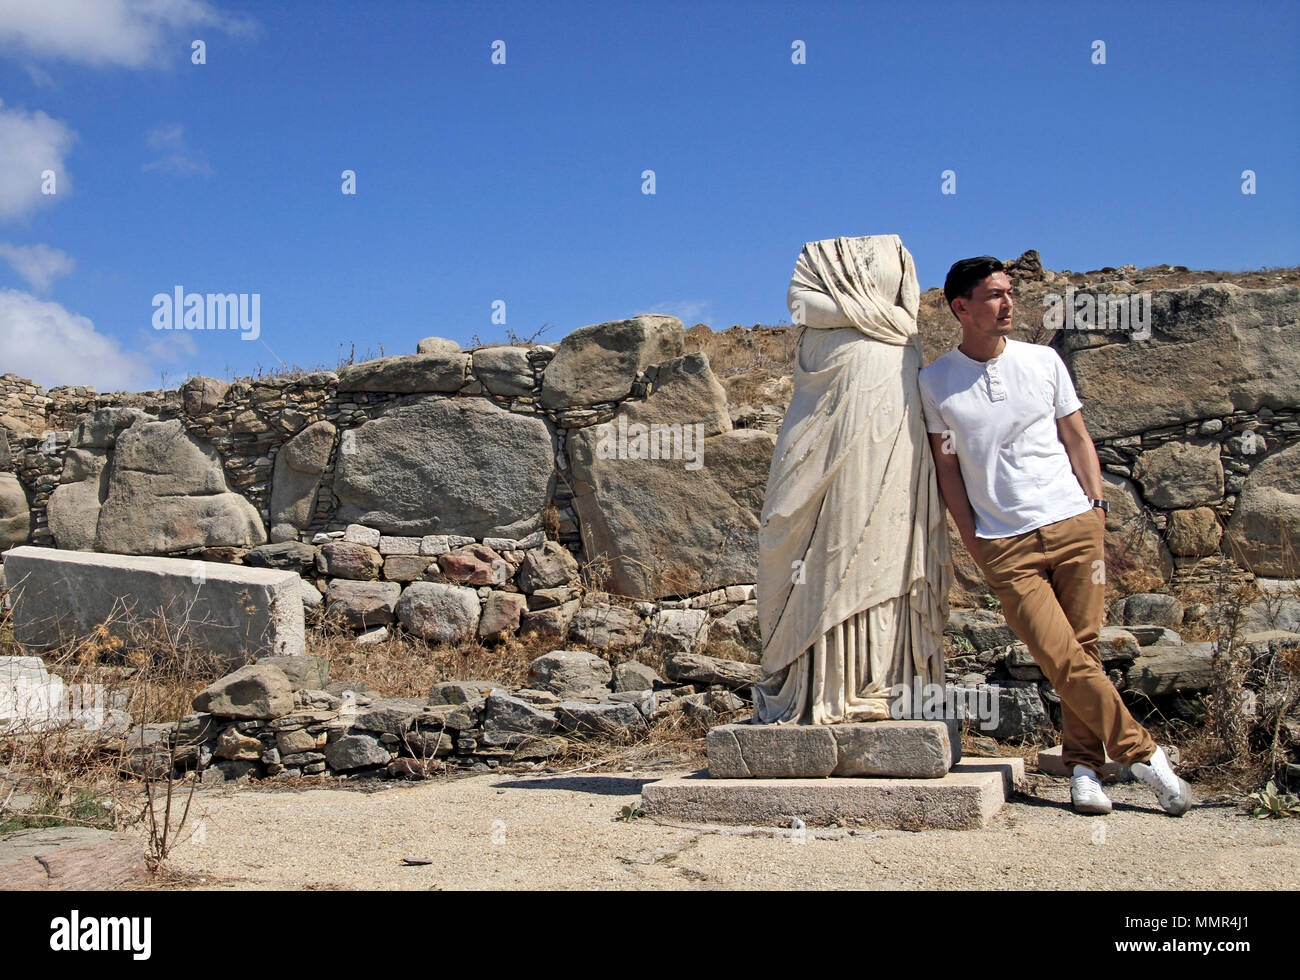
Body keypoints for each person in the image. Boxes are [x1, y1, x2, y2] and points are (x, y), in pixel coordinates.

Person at [919, 256, 1192, 816]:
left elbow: (1077, 437)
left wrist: (1095, 508)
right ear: (960, 307)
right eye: (994, 295)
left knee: (1081, 653)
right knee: (1060, 655)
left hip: (1072, 524)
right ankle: (1144, 755)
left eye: (1010, 292)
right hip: (1005, 542)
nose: (1008, 303)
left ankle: (1085, 771)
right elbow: (947, 469)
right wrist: (973, 540)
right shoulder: (934, 381)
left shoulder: (1043, 361)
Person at [754, 234, 950, 725]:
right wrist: (871, 312)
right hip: (824, 383)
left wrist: (846, 311)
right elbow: (801, 306)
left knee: (881, 521)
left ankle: (879, 681)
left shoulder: (901, 252)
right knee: (786, 515)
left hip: (888, 383)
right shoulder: (813, 254)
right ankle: (809, 675)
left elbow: (909, 318)